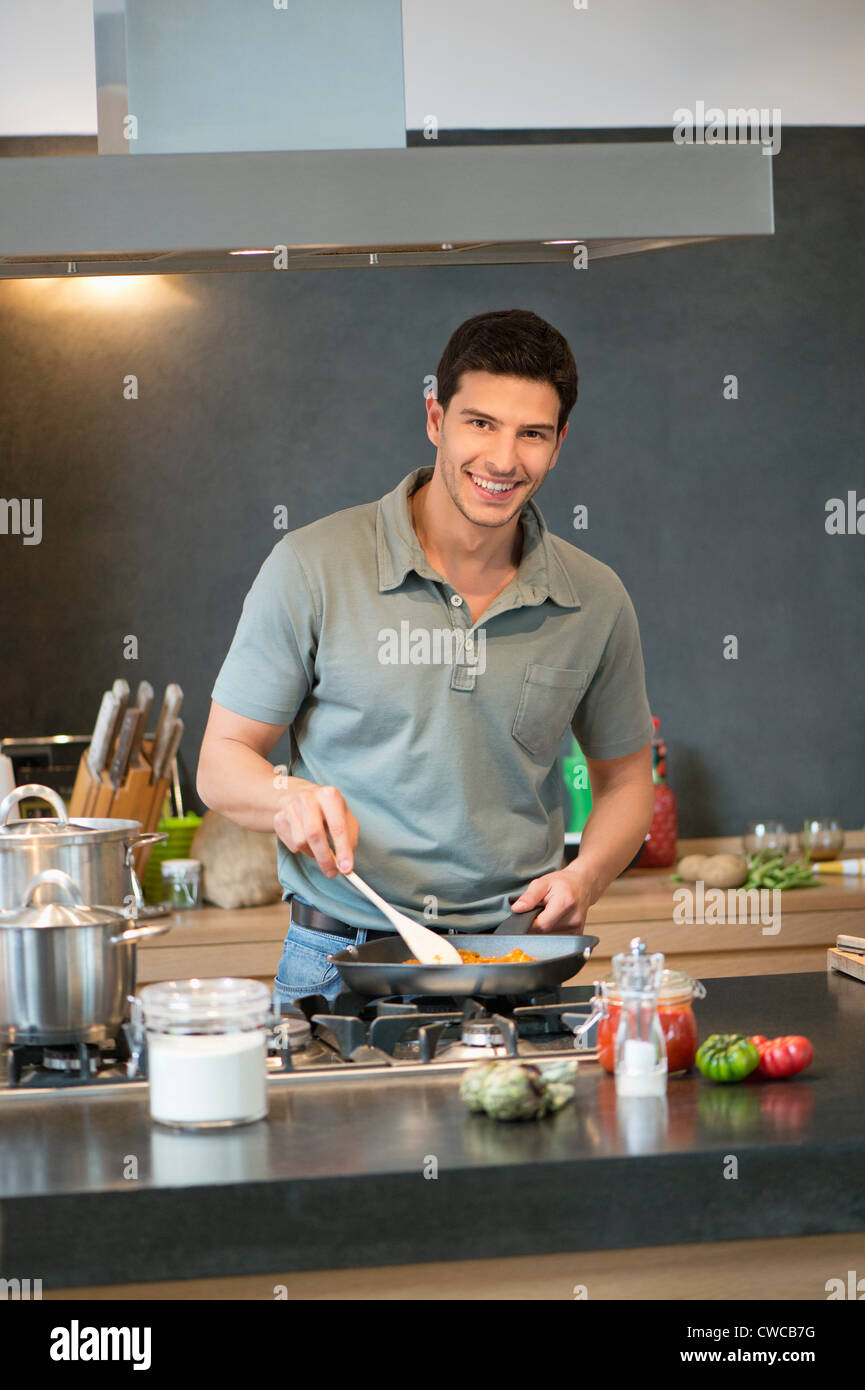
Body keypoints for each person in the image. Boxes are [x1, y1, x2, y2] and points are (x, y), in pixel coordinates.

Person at [197, 308, 655, 1008]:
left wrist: (585, 876)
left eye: (530, 434)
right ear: (435, 418)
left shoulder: (594, 598)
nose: (503, 460)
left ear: (558, 444)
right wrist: (285, 796)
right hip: (338, 959)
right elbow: (222, 760)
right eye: (480, 423)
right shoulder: (311, 565)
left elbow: (625, 781)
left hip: (515, 958)